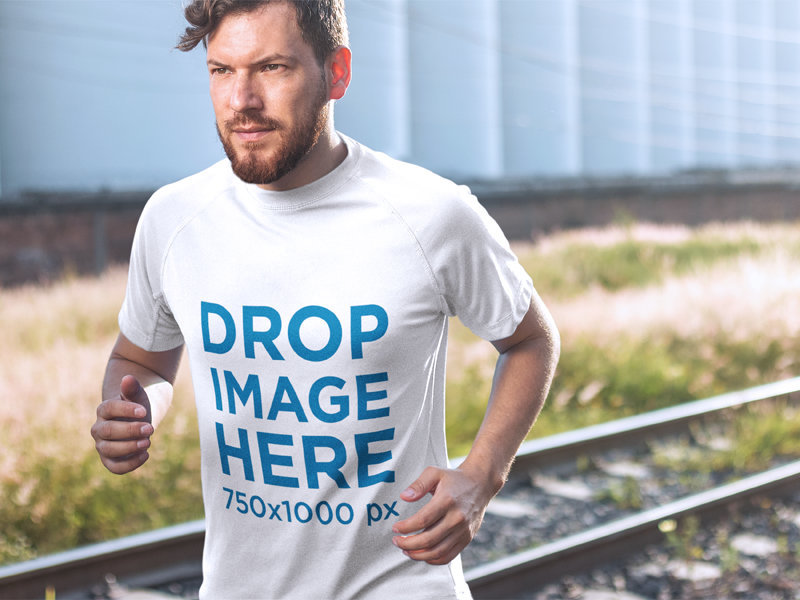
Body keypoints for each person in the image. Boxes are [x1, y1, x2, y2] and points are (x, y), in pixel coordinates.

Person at [91, 1, 560, 598]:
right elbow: (141, 360)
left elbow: (530, 340)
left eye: (273, 68)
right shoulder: (173, 219)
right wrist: (133, 411)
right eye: (221, 71)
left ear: (336, 73)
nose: (242, 100)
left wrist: (482, 475)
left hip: (400, 582)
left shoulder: (430, 214)